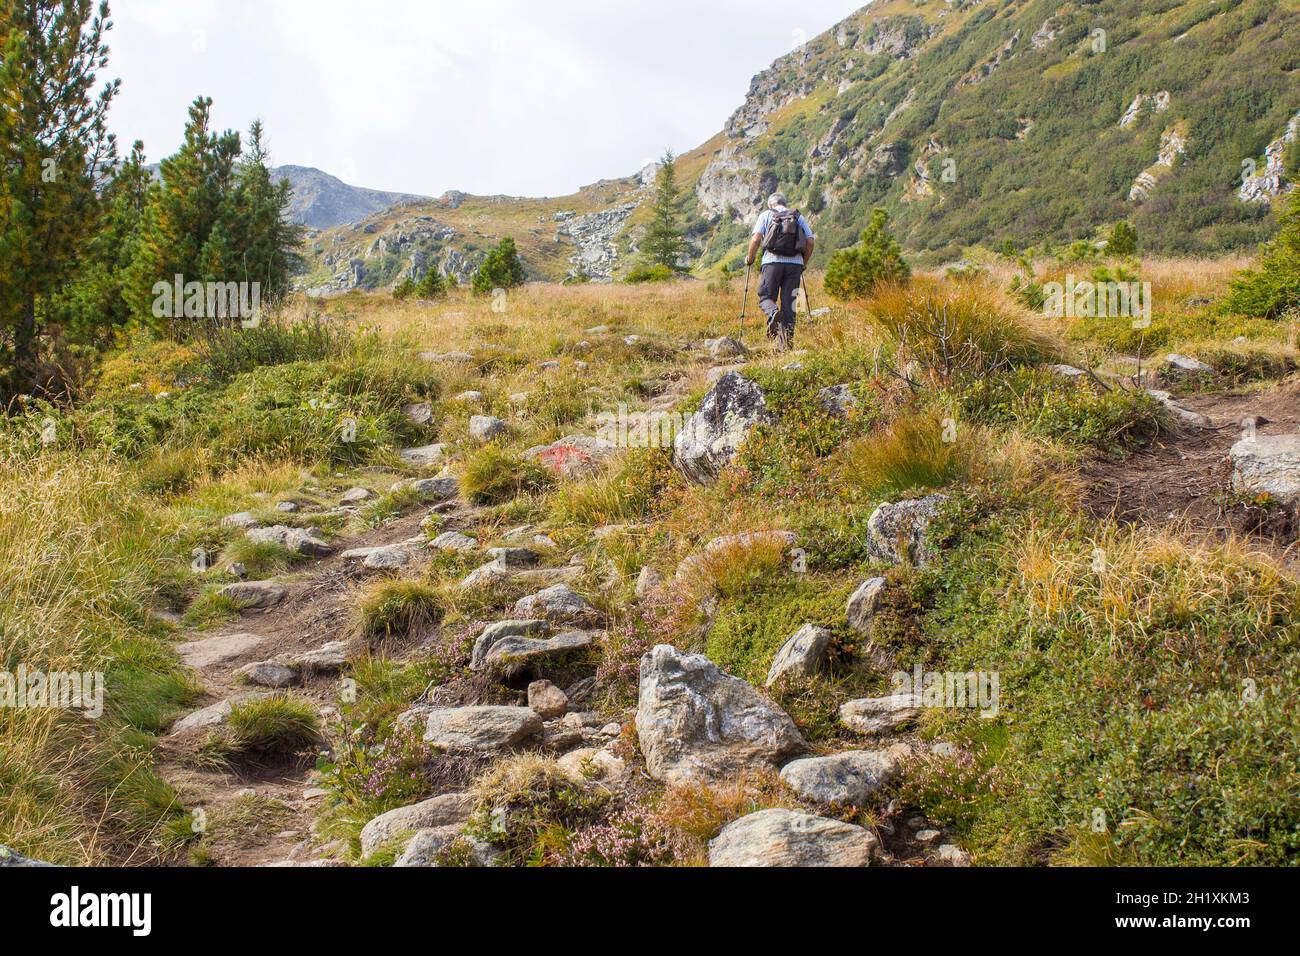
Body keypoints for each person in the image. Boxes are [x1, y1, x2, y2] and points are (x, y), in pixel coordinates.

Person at [746, 193, 815, 350]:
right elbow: (810, 241)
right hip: (795, 264)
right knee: (790, 305)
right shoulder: (798, 217)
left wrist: (750, 259)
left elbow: (756, 238)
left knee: (766, 297)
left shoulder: (766, 214)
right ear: (785, 203)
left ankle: (773, 313)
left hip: (772, 262)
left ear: (771, 204)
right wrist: (803, 263)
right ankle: (786, 347)